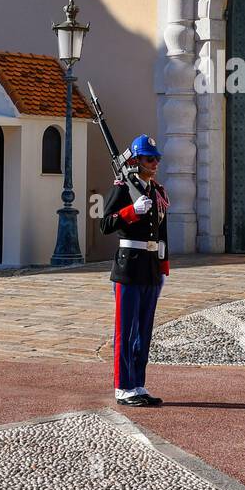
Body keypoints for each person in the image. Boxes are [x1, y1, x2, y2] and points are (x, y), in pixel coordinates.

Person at [100, 135, 169, 408]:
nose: (155, 163)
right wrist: (131, 211)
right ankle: (123, 386)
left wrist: (163, 268)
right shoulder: (123, 189)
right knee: (125, 330)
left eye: (157, 158)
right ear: (136, 161)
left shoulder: (157, 191)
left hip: (150, 267)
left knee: (144, 330)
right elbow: (105, 224)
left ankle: (137, 383)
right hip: (128, 267)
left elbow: (162, 234)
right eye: (150, 159)